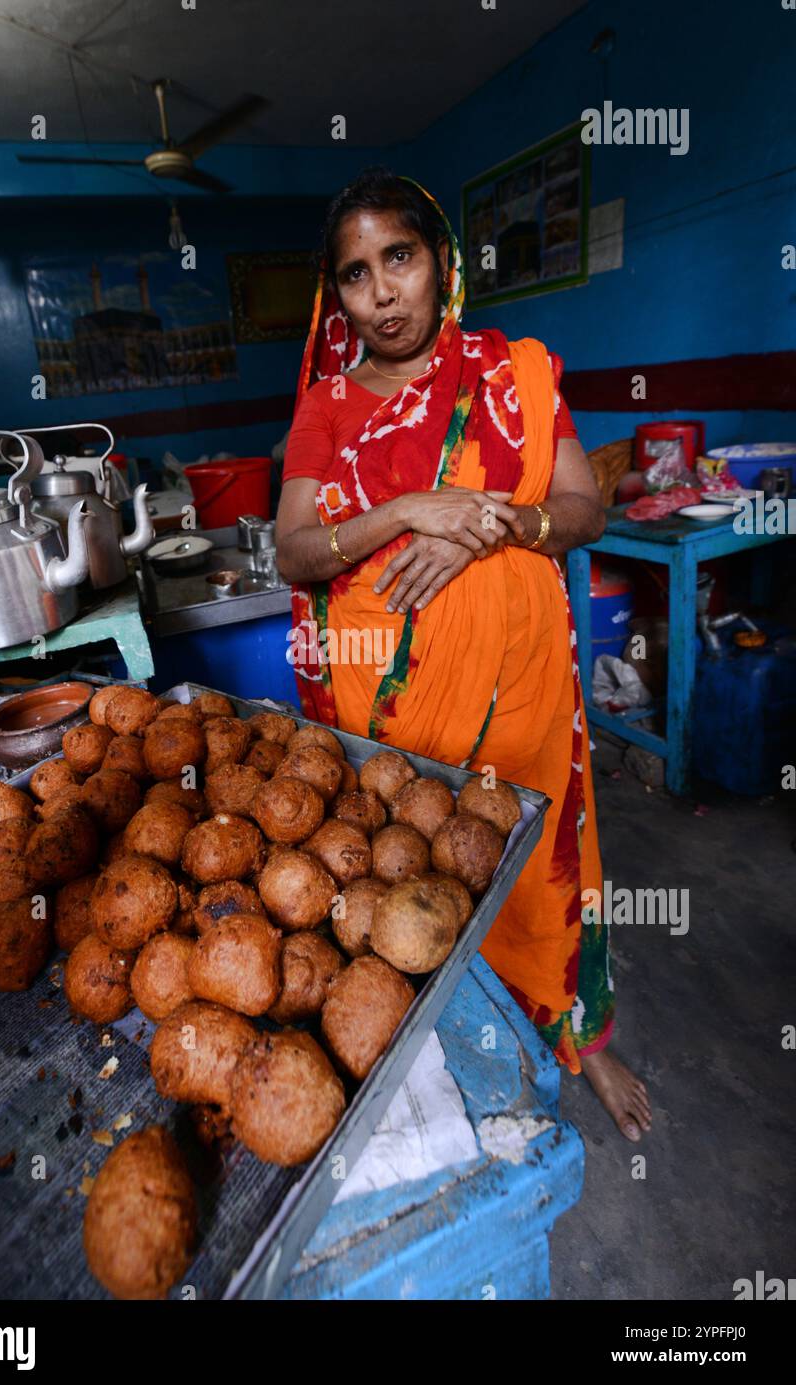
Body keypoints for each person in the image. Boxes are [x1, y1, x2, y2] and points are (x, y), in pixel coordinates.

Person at [275, 167, 651, 1141]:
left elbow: (581, 508)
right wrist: (407, 510)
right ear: (336, 293)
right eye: (355, 273)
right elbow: (295, 549)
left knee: (537, 859)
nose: (383, 291)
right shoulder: (326, 405)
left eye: (399, 256)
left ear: (441, 259)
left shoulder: (512, 371)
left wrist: (491, 525)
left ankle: (579, 1036)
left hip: (520, 686)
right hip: (384, 704)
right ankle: (419, 1051)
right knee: (402, 878)